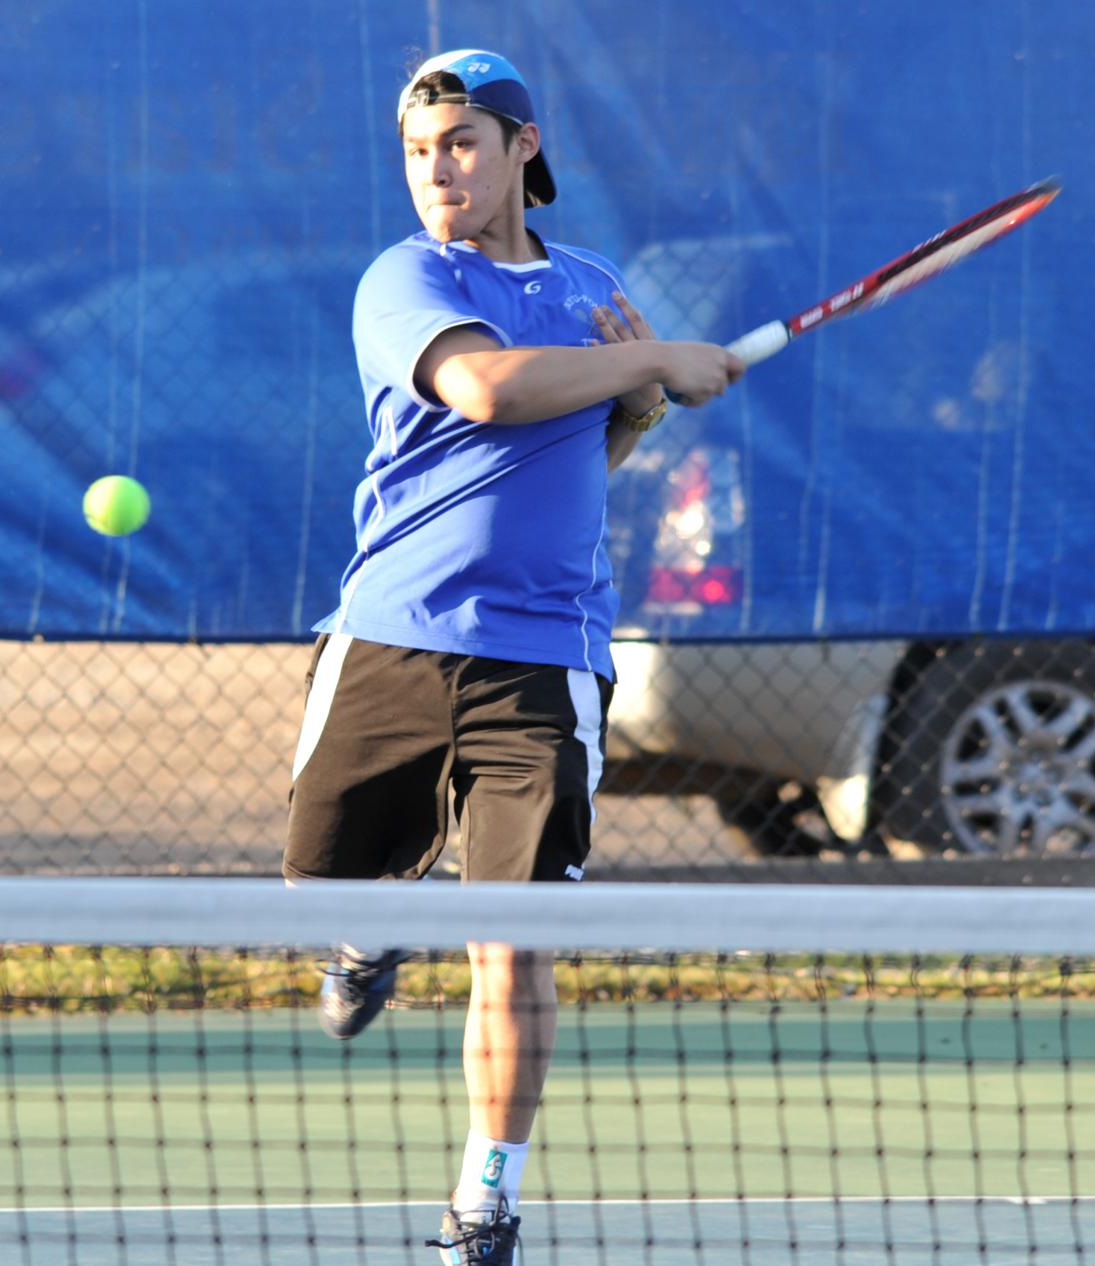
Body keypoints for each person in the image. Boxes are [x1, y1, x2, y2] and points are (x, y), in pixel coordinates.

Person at [282, 48, 746, 1265]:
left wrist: (640, 409)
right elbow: (486, 391)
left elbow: (575, 458)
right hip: (394, 632)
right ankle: (362, 928)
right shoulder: (405, 278)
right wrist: (651, 363)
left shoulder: (594, 289)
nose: (437, 168)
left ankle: (483, 1203)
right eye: (418, 149)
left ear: (520, 152)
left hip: (545, 656)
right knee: (315, 877)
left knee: (517, 941)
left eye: (461, 144)